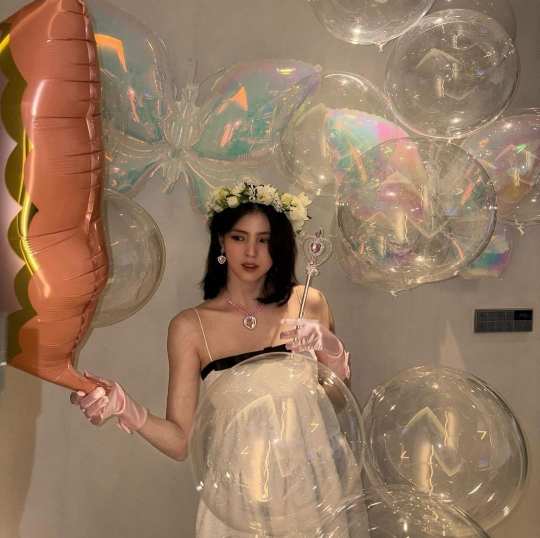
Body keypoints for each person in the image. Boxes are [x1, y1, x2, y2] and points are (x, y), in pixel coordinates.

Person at [71, 182, 353, 536]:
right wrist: (127, 407)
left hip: (310, 492)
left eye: (264, 240)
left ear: (278, 245)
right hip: (238, 503)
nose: (251, 251)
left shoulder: (308, 302)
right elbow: (180, 443)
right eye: (239, 237)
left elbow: (335, 404)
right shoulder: (191, 327)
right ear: (221, 240)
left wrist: (330, 346)